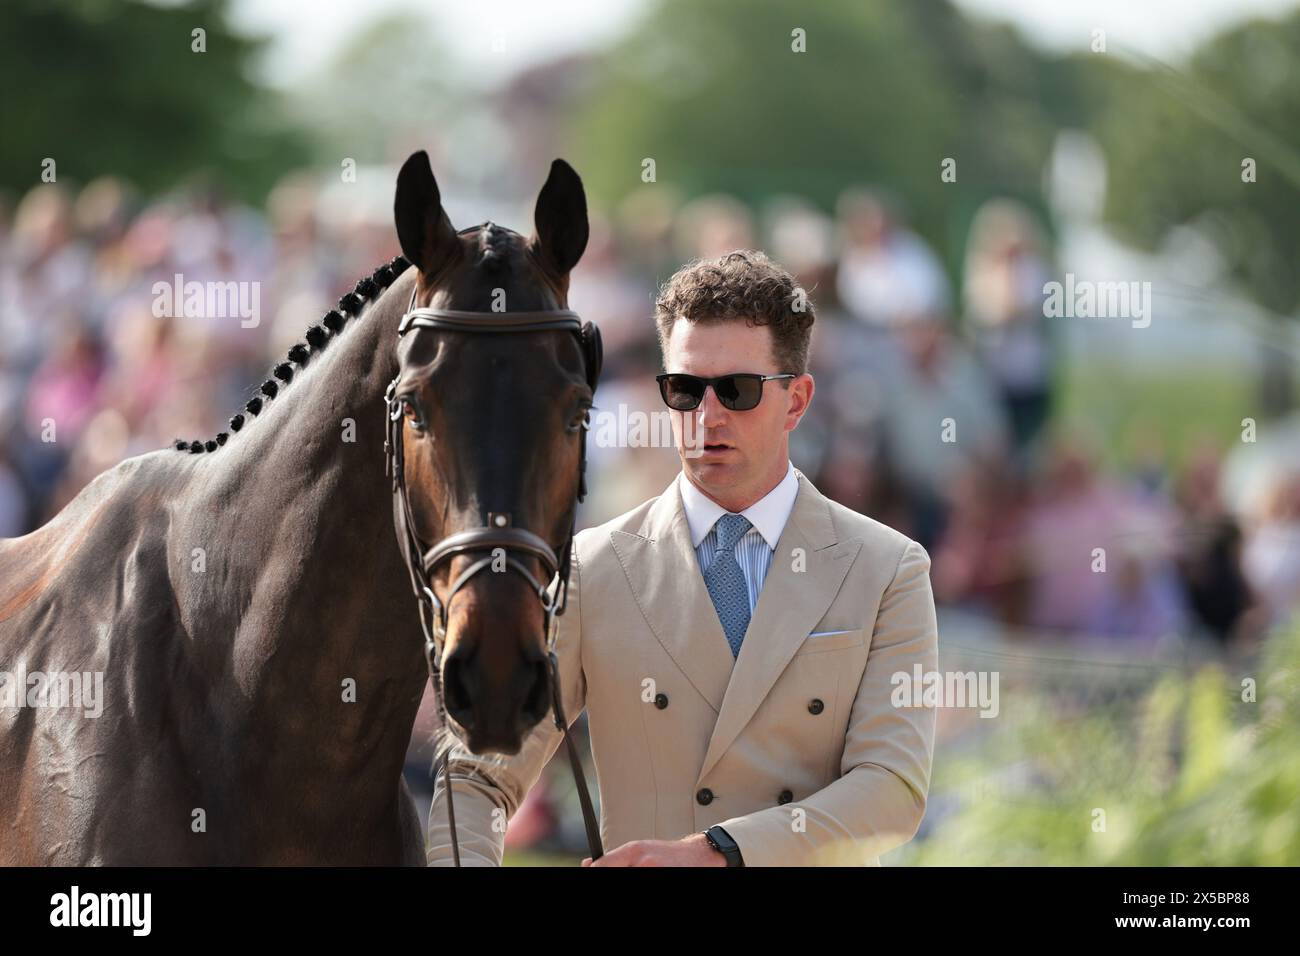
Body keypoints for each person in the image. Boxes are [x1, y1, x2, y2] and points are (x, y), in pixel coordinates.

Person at [427, 250, 939, 867]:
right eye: (685, 389)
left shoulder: (887, 569)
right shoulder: (591, 568)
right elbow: (478, 773)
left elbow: (892, 790)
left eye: (738, 391)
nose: (707, 416)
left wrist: (718, 853)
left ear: (797, 402)